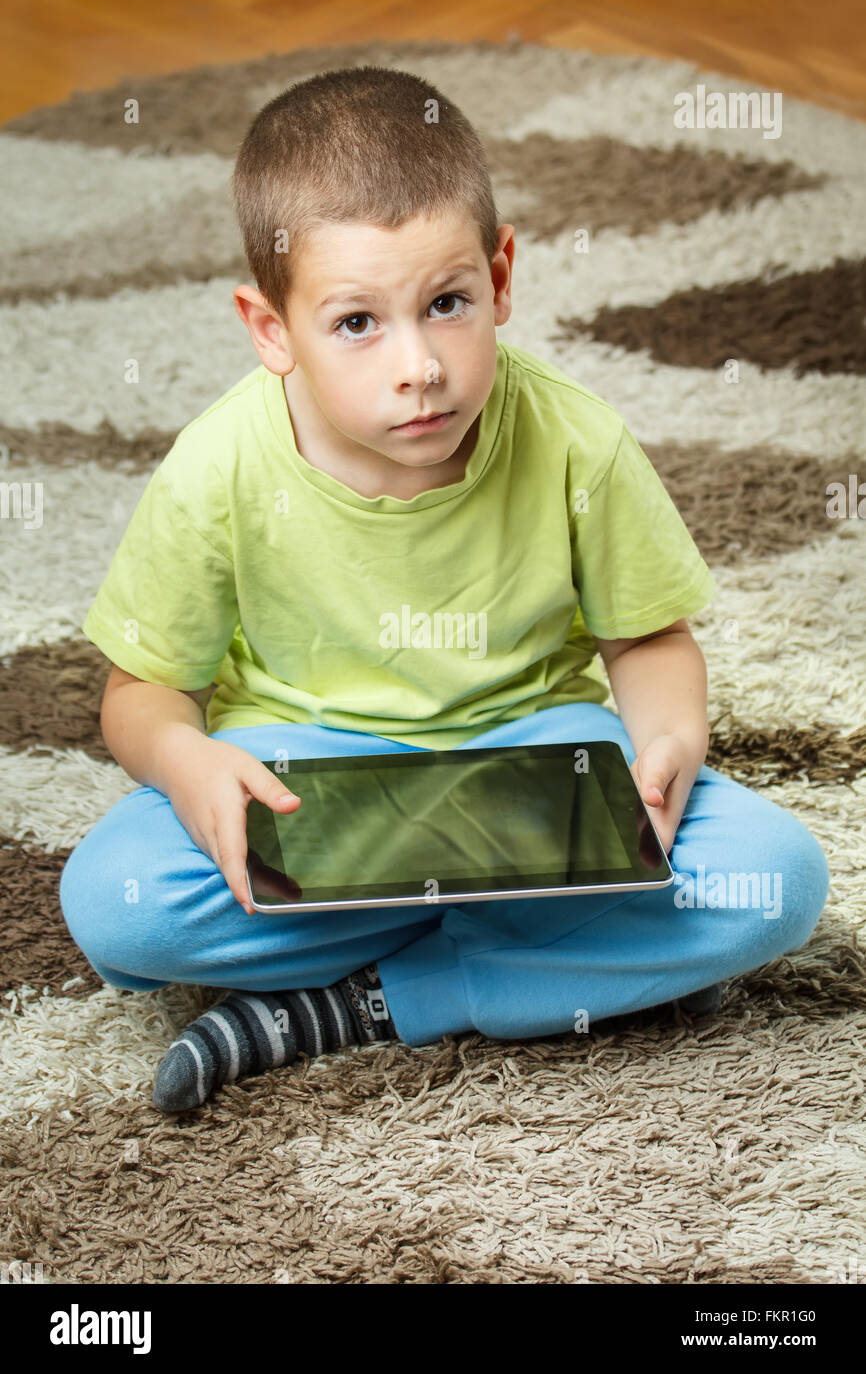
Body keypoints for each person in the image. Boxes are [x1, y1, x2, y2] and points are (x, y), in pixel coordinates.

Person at [59, 66, 830, 1113]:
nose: (417, 365)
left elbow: (646, 641)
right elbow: (142, 693)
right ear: (269, 327)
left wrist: (670, 744)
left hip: (532, 769)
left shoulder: (575, 440)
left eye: (447, 304)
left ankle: (369, 1000)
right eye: (356, 323)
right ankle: (577, 961)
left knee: (775, 878)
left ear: (501, 276)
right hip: (313, 778)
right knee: (116, 902)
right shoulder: (217, 467)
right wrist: (188, 763)